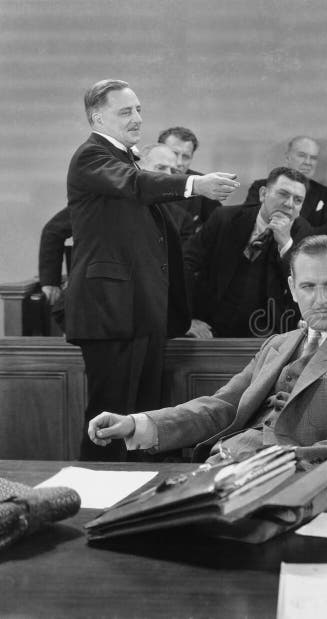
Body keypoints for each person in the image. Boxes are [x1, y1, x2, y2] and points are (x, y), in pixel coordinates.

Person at [87, 235, 327, 465]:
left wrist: (277, 463)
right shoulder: (277, 345)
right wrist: (136, 423)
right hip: (220, 466)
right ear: (293, 289)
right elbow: (220, 407)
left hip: (290, 479)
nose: (321, 299)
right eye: (309, 287)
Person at [67, 78, 239, 461]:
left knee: (138, 422)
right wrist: (195, 183)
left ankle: (132, 507)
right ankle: (94, 507)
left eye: (139, 109)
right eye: (125, 111)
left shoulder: (124, 158)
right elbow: (137, 183)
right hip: (109, 314)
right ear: (97, 117)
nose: (137, 118)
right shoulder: (91, 156)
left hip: (141, 312)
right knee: (109, 422)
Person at [39, 144, 196, 311]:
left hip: (152, 301)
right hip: (100, 299)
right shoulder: (108, 200)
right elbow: (53, 230)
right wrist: (50, 282)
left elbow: (182, 267)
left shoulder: (181, 218)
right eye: (160, 168)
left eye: (173, 172)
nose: (167, 176)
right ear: (139, 168)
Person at [183, 166, 313, 338]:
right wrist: (186, 319)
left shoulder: (303, 232)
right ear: (263, 194)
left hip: (267, 333)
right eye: (283, 194)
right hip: (210, 326)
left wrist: (285, 244)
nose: (289, 204)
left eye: (297, 200)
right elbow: (185, 265)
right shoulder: (224, 218)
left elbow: (305, 285)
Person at [245, 136, 327, 236]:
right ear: (288, 157)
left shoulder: (322, 192)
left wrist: (302, 235)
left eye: (313, 158)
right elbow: (249, 219)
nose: (308, 162)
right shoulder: (260, 186)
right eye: (302, 155)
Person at [158, 126, 222, 231]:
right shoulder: (140, 179)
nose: (179, 163)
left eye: (186, 157)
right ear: (158, 150)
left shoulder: (203, 185)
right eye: (174, 153)